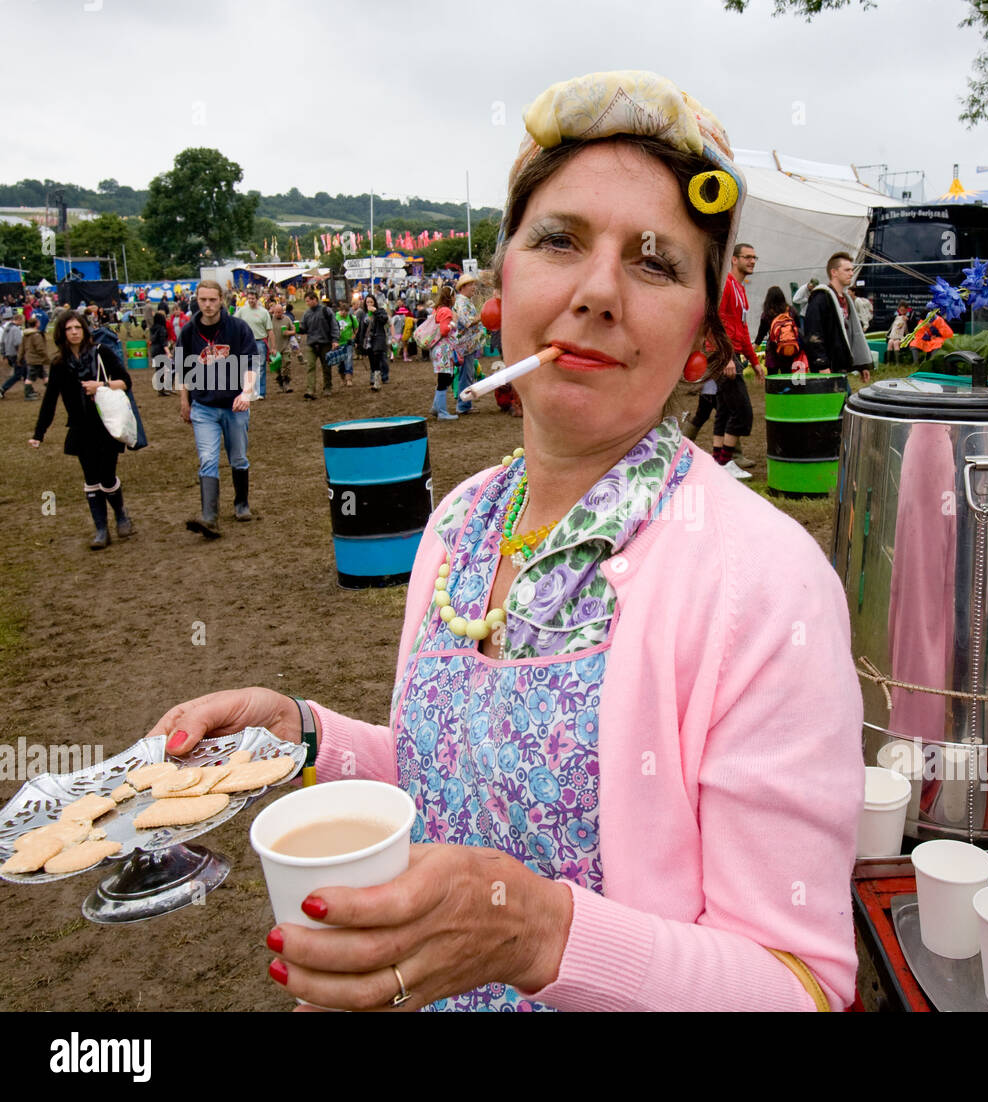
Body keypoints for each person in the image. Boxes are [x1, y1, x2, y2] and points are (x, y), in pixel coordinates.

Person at [148, 70, 862, 1014]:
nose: (599, 291)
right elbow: (458, 777)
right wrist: (306, 734)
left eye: (655, 263)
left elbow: (797, 986)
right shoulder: (461, 521)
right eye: (561, 240)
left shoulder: (768, 583)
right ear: (504, 287)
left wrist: (537, 933)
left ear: (701, 331)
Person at [28, 312, 134, 549]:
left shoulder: (101, 353)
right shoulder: (59, 364)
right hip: (80, 428)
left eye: (78, 327)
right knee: (91, 478)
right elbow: (50, 400)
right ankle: (101, 529)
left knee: (107, 476)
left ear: (85, 330)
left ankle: (121, 515)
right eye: (69, 328)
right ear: (61, 333)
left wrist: (101, 385)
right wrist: (39, 433)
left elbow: (126, 381)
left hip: (106, 425)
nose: (74, 332)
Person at [178, 280, 257, 537]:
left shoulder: (238, 328)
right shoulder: (189, 332)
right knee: (208, 459)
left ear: (221, 299)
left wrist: (246, 393)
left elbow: (250, 365)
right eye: (203, 300)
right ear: (197, 300)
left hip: (234, 406)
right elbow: (182, 370)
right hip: (204, 407)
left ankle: (241, 504)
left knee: (238, 458)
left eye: (213, 300)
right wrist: (184, 401)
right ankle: (209, 517)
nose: (208, 305)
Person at [712, 241, 762, 478]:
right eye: (747, 257)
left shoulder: (740, 289)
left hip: (733, 353)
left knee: (724, 409)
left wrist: (754, 361)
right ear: (734, 259)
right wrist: (725, 357)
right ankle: (724, 463)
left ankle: (718, 462)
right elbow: (715, 320)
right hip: (724, 354)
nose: (752, 261)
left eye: (754, 258)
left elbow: (742, 329)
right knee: (742, 412)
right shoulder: (727, 285)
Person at [803, 252, 873, 381]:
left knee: (845, 399)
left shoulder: (846, 300)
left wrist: (862, 365)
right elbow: (813, 333)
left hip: (840, 367)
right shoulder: (821, 298)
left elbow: (853, 333)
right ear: (834, 272)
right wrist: (822, 364)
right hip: (826, 368)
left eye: (852, 270)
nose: (851, 273)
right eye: (847, 270)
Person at [298, 291, 340, 398]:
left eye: (308, 301)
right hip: (311, 344)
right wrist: (298, 329)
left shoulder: (326, 311)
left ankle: (328, 387)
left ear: (315, 299)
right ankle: (310, 390)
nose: (307, 303)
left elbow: (334, 326)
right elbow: (304, 328)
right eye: (306, 301)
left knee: (326, 367)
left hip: (325, 343)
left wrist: (335, 340)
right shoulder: (306, 314)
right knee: (310, 366)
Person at [451, 273, 482, 414]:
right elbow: (467, 321)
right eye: (471, 285)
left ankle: (465, 404)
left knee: (467, 374)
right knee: (466, 375)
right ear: (463, 287)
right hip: (465, 345)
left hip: (467, 344)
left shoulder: (464, 301)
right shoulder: (462, 302)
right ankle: (463, 405)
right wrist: (481, 317)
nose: (474, 287)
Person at [235, 287, 273, 401]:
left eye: (253, 298)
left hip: (260, 341)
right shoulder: (242, 311)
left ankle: (260, 392)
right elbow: (234, 323)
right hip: (245, 342)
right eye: (249, 298)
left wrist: (273, 347)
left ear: (257, 299)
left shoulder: (264, 312)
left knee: (260, 367)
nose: (251, 300)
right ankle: (248, 390)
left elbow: (270, 330)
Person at [427, 285, 459, 420]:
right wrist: (454, 323)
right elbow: (444, 330)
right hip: (444, 349)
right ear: (450, 297)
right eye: (454, 296)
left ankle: (436, 407)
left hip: (438, 349)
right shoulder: (446, 311)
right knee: (444, 379)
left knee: (444, 378)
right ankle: (441, 412)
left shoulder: (437, 310)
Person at [763, 288, 803, 375]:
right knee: (787, 377)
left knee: (772, 379)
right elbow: (798, 328)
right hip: (788, 350)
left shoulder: (767, 313)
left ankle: (773, 388)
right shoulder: (791, 311)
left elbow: (760, 335)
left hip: (772, 351)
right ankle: (787, 389)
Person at [356, 293, 389, 392]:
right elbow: (361, 328)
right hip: (368, 340)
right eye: (367, 302)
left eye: (371, 302)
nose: (369, 304)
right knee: (372, 361)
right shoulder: (363, 314)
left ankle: (377, 382)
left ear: (374, 302)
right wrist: (358, 341)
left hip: (378, 338)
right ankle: (375, 380)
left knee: (377, 359)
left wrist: (376, 311)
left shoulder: (380, 311)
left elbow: (384, 319)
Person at [267, 301, 297, 394]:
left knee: (286, 364)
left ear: (282, 311)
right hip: (274, 348)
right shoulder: (270, 319)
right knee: (277, 367)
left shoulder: (287, 319)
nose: (278, 314)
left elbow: (294, 330)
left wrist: (289, 333)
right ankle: (280, 384)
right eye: (276, 312)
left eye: (279, 312)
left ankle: (287, 384)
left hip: (285, 346)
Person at [0, 313, 28, 399]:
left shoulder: (7, 328)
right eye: (22, 320)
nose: (23, 322)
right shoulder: (16, 329)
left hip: (9, 354)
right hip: (16, 355)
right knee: (18, 374)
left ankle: (29, 389)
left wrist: (4, 354)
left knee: (25, 372)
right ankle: (3, 388)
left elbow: (2, 342)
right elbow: (17, 344)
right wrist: (21, 355)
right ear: (19, 320)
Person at [149, 306, 173, 396]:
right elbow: (163, 342)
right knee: (163, 370)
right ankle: (162, 389)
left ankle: (160, 389)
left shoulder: (152, 328)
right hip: (160, 351)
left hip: (154, 350)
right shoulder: (162, 329)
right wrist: (168, 352)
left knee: (158, 370)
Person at [335, 303, 357, 387]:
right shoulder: (335, 317)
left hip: (348, 342)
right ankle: (342, 378)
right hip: (338, 342)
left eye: (346, 312)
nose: (343, 313)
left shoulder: (351, 318)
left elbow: (356, 327)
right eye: (342, 311)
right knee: (340, 362)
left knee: (348, 359)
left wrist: (353, 336)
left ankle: (349, 379)